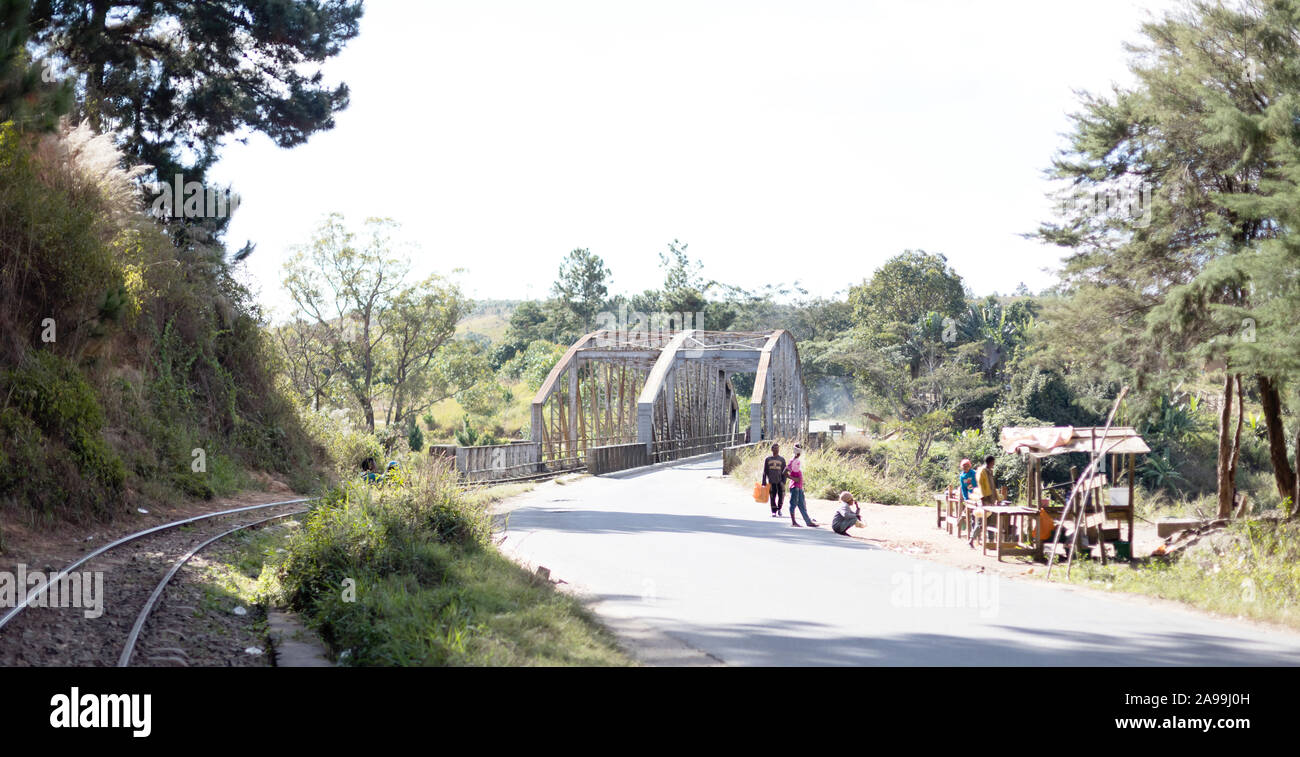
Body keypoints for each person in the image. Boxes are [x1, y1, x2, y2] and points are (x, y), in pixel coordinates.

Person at [786, 443, 818, 527]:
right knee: (793, 504)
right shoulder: (792, 460)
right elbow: (784, 473)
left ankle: (808, 522)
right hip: (795, 486)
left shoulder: (797, 460)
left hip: (799, 486)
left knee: (802, 504)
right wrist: (794, 479)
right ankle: (793, 522)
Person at [968, 455, 997, 547]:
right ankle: (971, 539)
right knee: (981, 522)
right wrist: (984, 497)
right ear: (990, 462)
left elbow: (991, 486)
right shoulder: (983, 471)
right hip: (984, 499)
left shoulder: (989, 471)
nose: (994, 464)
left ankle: (991, 542)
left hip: (991, 500)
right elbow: (982, 486)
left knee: (992, 521)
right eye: (993, 462)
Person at [761, 443, 787, 517]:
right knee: (772, 496)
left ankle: (779, 509)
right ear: (772, 449)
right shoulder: (768, 459)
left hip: (780, 481)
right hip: (771, 481)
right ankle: (774, 511)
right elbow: (765, 471)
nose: (776, 450)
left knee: (781, 496)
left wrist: (784, 481)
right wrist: (764, 481)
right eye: (775, 448)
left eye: (777, 448)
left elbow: (785, 471)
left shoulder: (782, 459)